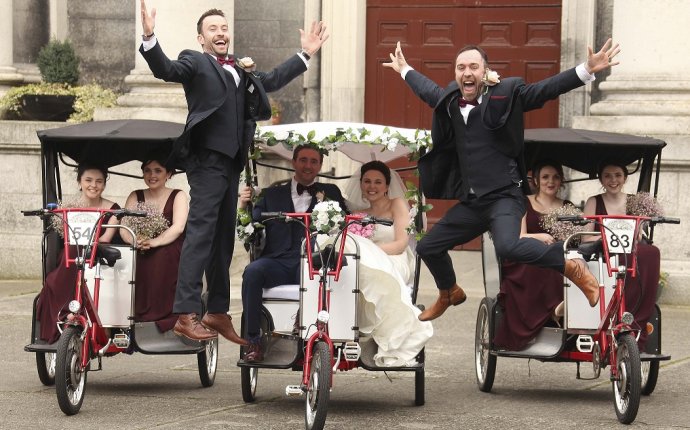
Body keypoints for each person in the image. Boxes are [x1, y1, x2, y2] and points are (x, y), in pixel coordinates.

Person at [382, 39, 621, 321]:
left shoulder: (507, 93)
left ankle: (571, 262)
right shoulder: (450, 99)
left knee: (507, 245)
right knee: (427, 247)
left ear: (485, 72)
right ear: (456, 73)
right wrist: (404, 69)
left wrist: (585, 70)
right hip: (473, 202)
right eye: (461, 67)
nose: (467, 72)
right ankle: (449, 291)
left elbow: (543, 91)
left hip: (505, 196)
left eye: (473, 66)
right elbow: (429, 91)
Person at [139, 0, 329, 342]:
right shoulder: (194, 61)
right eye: (213, 29)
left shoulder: (241, 68)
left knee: (224, 237)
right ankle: (184, 312)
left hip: (231, 161)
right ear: (200, 38)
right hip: (206, 160)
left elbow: (269, 80)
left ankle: (217, 311)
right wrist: (150, 38)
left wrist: (305, 55)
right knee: (200, 232)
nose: (221, 33)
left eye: (224, 28)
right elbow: (166, 69)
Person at [240, 144, 348, 362]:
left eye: (314, 161)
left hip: (311, 260)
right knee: (252, 272)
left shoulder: (332, 192)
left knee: (315, 274)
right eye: (303, 160)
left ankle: (307, 327)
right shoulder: (271, 194)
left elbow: (346, 221)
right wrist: (244, 205)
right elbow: (253, 221)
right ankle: (253, 340)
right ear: (294, 162)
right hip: (277, 261)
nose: (308, 166)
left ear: (320, 165)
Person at [343, 161, 433, 366]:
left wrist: (369, 252)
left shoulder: (397, 204)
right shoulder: (360, 213)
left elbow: (401, 244)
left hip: (394, 259)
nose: (371, 186)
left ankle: (388, 332)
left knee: (369, 271)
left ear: (386, 186)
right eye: (367, 181)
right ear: (361, 184)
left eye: (377, 182)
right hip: (365, 260)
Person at [36, 163, 120, 344]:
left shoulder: (113, 208)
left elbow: (106, 238)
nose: (94, 185)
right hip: (72, 256)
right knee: (55, 276)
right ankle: (65, 315)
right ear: (79, 182)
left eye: (99, 181)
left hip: (96, 256)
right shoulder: (69, 207)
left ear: (104, 184)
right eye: (88, 180)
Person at [493, 161, 572, 350]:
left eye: (555, 177)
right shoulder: (523, 202)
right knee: (545, 264)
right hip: (523, 256)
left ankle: (565, 309)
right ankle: (554, 309)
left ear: (561, 181)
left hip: (556, 254)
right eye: (545, 177)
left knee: (569, 263)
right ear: (536, 180)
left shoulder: (567, 207)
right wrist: (541, 237)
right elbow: (518, 235)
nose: (550, 181)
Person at [583, 160, 661, 350]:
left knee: (652, 252)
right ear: (601, 179)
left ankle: (638, 313)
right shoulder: (594, 201)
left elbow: (639, 236)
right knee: (626, 257)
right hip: (603, 250)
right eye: (607, 176)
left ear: (625, 178)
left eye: (617, 175)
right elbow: (586, 237)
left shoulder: (634, 201)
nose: (613, 180)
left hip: (630, 250)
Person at [121, 157, 188, 333]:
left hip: (169, 244)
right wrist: (135, 241)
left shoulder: (178, 195)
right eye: (147, 170)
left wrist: (155, 242)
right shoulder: (136, 195)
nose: (152, 175)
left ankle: (162, 314)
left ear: (169, 174)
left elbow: (178, 227)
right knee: (126, 258)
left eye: (158, 170)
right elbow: (124, 227)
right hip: (139, 244)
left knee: (163, 255)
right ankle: (129, 313)